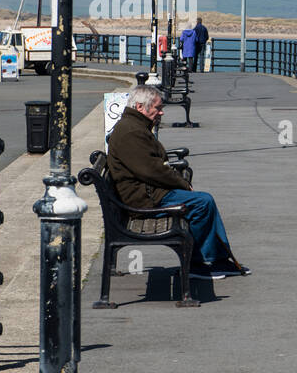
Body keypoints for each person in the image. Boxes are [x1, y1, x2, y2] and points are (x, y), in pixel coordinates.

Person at [107, 84, 249, 280]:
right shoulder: (132, 132)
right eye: (157, 108)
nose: (161, 112)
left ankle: (217, 260)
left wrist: (176, 180)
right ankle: (200, 263)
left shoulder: (134, 126)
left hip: (147, 192)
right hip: (144, 200)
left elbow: (152, 166)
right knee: (202, 202)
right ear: (140, 107)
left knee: (202, 201)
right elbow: (151, 170)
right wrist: (181, 184)